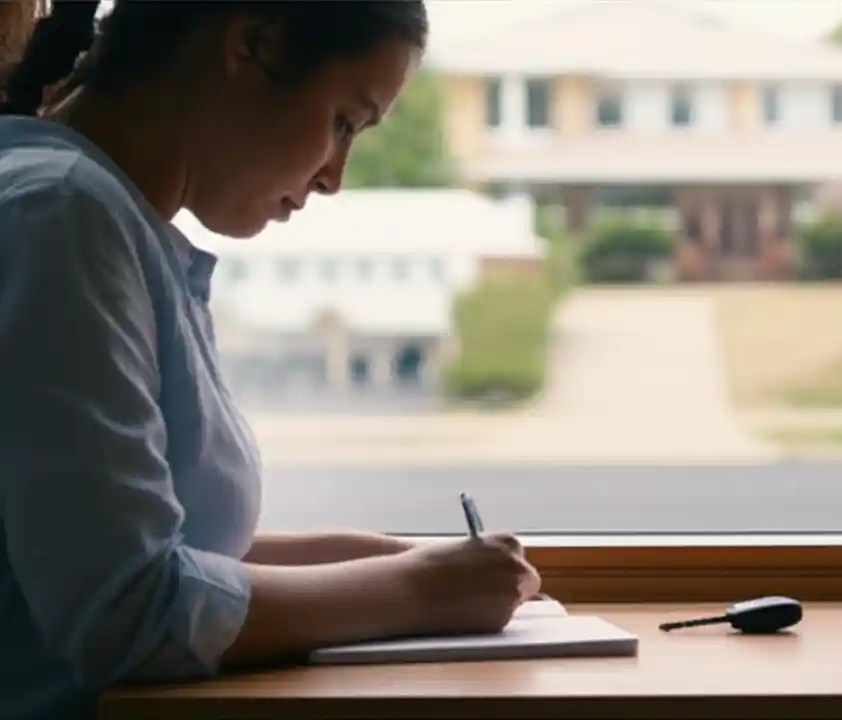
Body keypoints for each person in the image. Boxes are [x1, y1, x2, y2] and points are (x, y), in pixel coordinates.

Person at [0, 2, 542, 717]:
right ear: (252, 45)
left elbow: (144, 547)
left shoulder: (102, 221)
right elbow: (127, 612)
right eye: (344, 121)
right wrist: (420, 590)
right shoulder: (61, 218)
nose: (334, 178)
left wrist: (389, 560)